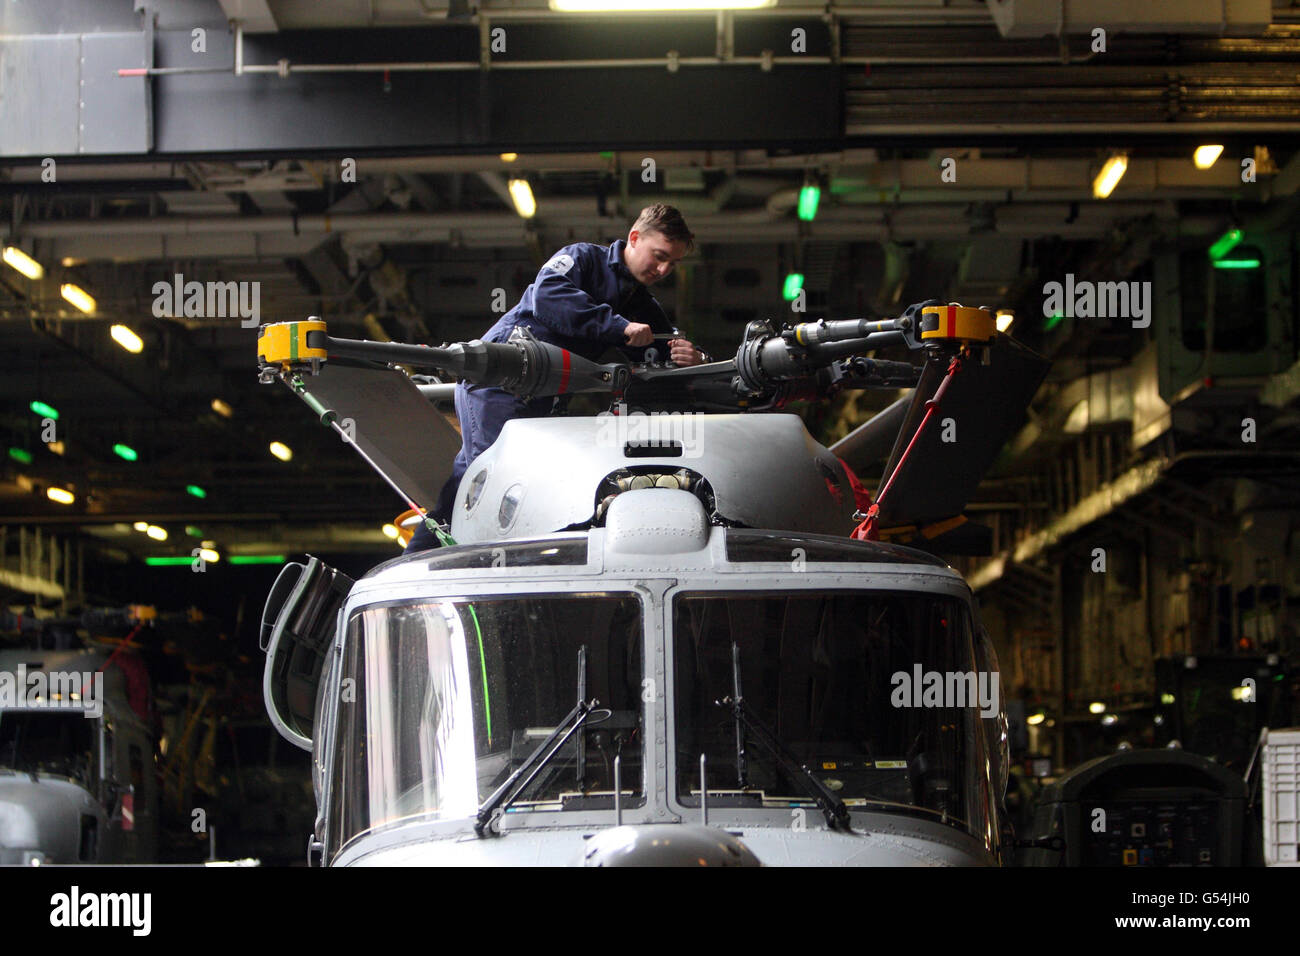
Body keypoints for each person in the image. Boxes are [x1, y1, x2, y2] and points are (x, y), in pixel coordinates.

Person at [408, 203, 707, 551]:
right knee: (498, 486)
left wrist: (693, 356)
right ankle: (485, 572)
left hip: (541, 403)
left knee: (465, 490)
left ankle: (413, 561)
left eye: (673, 263)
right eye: (659, 256)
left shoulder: (640, 303)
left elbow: (665, 352)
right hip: (499, 385)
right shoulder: (582, 259)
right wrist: (618, 327)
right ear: (635, 238)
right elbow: (549, 297)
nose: (663, 268)